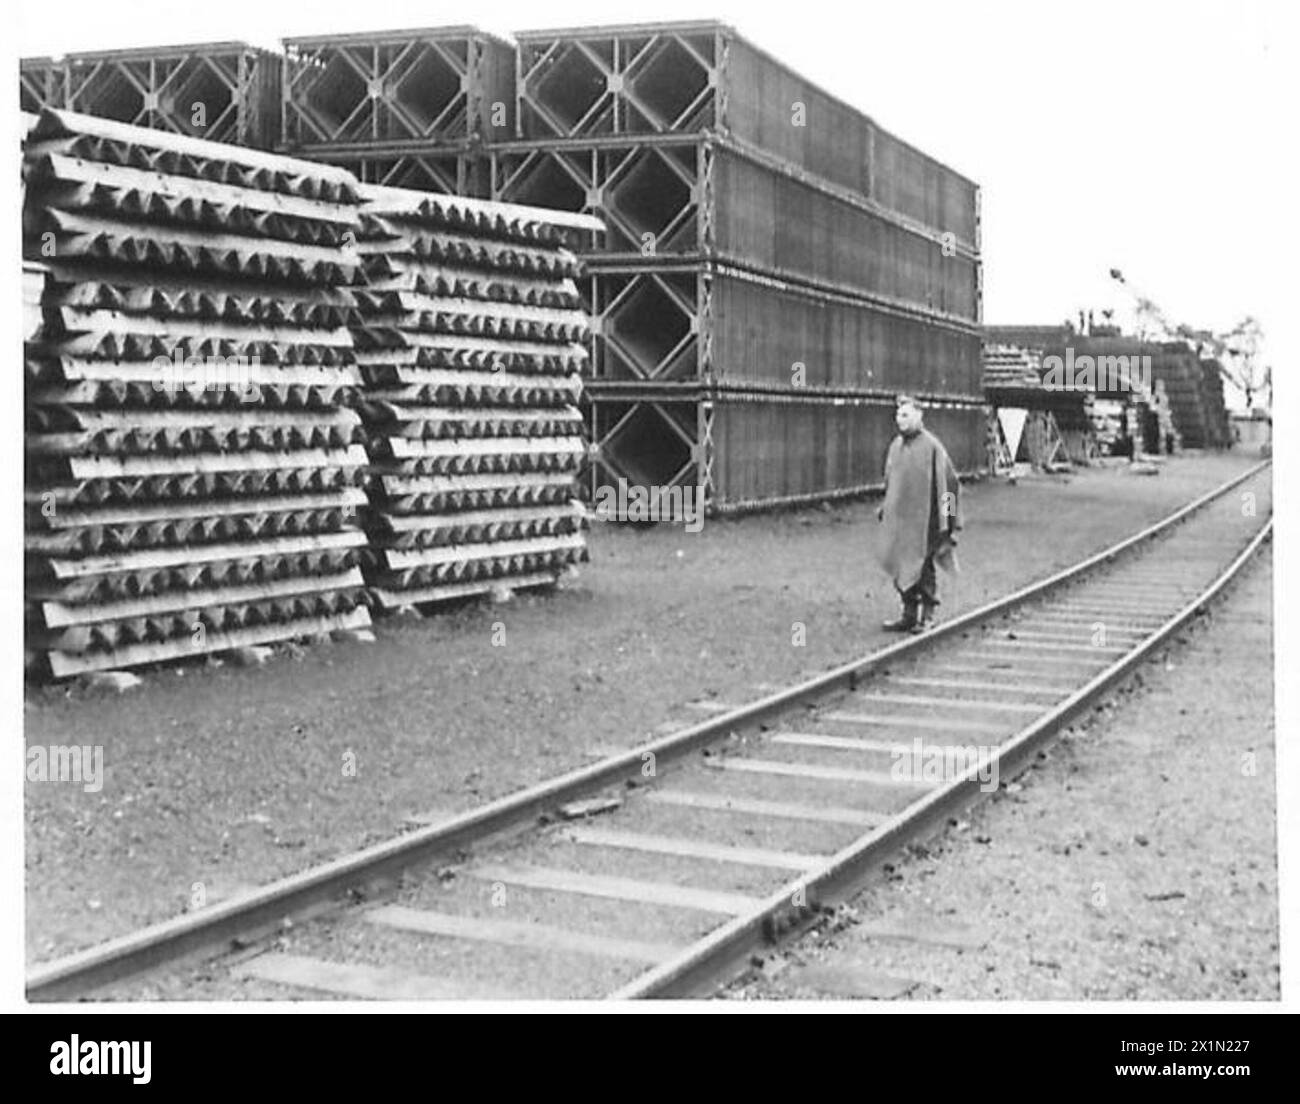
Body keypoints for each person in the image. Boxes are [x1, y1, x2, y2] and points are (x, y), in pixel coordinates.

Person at [876, 395, 962, 633]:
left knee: (923, 568)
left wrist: (949, 521)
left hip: (927, 521)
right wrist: (886, 507)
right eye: (898, 415)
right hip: (901, 520)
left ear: (919, 416)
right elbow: (891, 482)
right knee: (902, 566)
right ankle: (909, 613)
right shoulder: (896, 446)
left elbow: (950, 483)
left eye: (905, 415)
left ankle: (928, 615)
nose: (900, 420)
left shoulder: (933, 447)